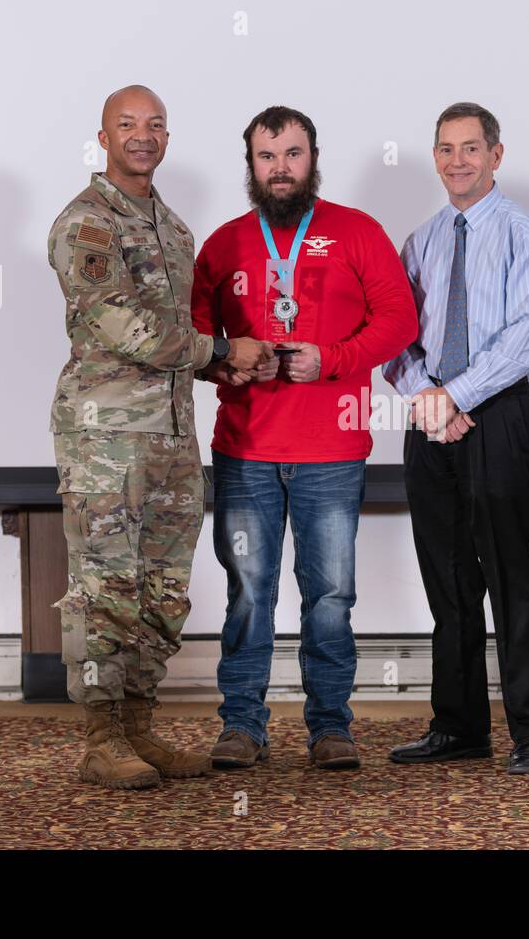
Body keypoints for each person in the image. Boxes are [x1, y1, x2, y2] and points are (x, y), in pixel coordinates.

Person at [48, 85, 272, 789]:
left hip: (173, 436)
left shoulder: (172, 228)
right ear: (103, 136)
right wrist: (222, 352)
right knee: (105, 588)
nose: (143, 136)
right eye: (127, 125)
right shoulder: (86, 223)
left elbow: (177, 343)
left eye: (155, 125)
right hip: (105, 440)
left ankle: (140, 728)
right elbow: (128, 330)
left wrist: (230, 369)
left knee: (162, 590)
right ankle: (101, 738)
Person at [192, 106, 418, 770]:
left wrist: (335, 359)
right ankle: (242, 725)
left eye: (292, 154)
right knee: (247, 592)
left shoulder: (356, 232)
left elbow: (399, 319)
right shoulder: (223, 243)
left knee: (330, 597)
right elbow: (192, 339)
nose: (280, 168)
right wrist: (228, 359)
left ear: (313, 158)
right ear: (250, 166)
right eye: (267, 156)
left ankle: (330, 726)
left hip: (332, 452)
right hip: (245, 450)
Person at [384, 102, 529, 775]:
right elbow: (395, 338)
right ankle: (458, 726)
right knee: (449, 583)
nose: (457, 160)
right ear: (434, 157)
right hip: (430, 425)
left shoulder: (524, 235)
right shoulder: (420, 241)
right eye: (445, 148)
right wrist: (428, 402)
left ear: (496, 155)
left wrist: (455, 396)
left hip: (501, 419)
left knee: (517, 576)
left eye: (470, 147)